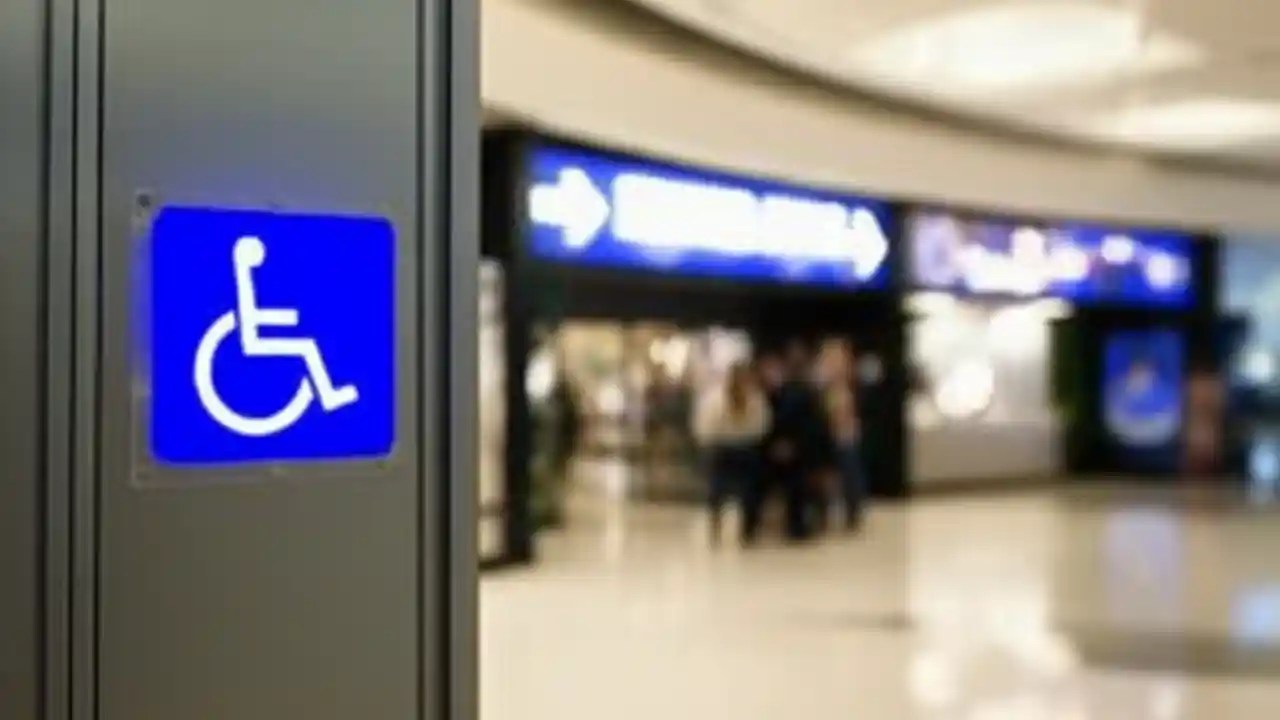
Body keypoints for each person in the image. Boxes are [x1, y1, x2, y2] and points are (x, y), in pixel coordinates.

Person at [693, 361, 769, 545]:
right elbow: (704, 426)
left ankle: (746, 530)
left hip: (745, 449)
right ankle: (716, 528)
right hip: (722, 449)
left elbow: (762, 426)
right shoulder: (715, 398)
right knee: (716, 492)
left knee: (748, 492)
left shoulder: (755, 399)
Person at [764, 341, 828, 541]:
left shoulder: (804, 392)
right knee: (794, 484)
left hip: (802, 448)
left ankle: (798, 523)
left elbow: (814, 423)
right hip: (790, 447)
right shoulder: (784, 392)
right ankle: (794, 524)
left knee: (800, 485)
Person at [822, 341, 866, 530]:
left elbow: (848, 414)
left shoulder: (849, 386)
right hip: (826, 436)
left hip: (845, 436)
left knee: (850, 473)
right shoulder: (824, 387)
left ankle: (853, 511)